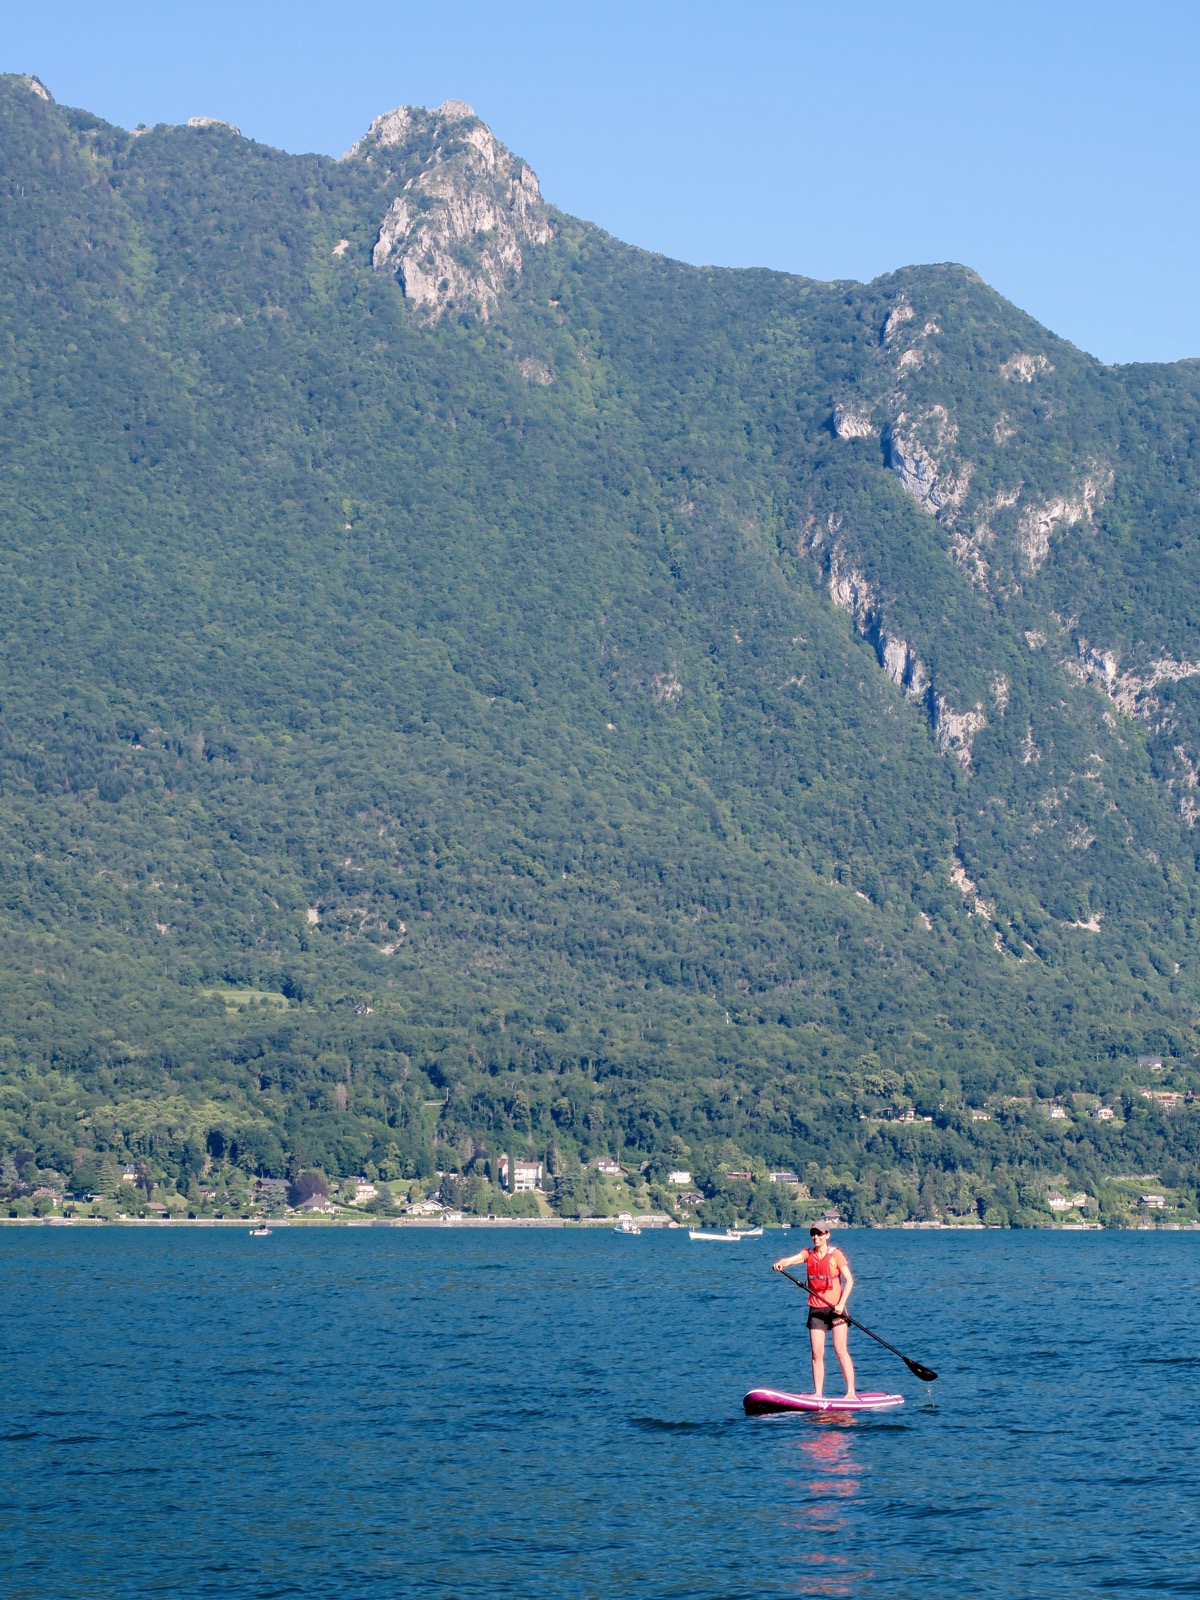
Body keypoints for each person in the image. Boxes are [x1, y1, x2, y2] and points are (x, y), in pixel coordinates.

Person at [773, 1224, 856, 1399]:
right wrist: (781, 1263)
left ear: (827, 1235)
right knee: (817, 1353)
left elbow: (849, 1281)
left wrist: (841, 1303)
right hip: (816, 1309)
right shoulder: (808, 1254)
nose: (815, 1237)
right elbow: (790, 1260)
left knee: (840, 1350)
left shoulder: (835, 1255)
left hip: (836, 1309)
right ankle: (818, 1393)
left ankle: (851, 1393)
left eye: (819, 1234)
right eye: (813, 1234)